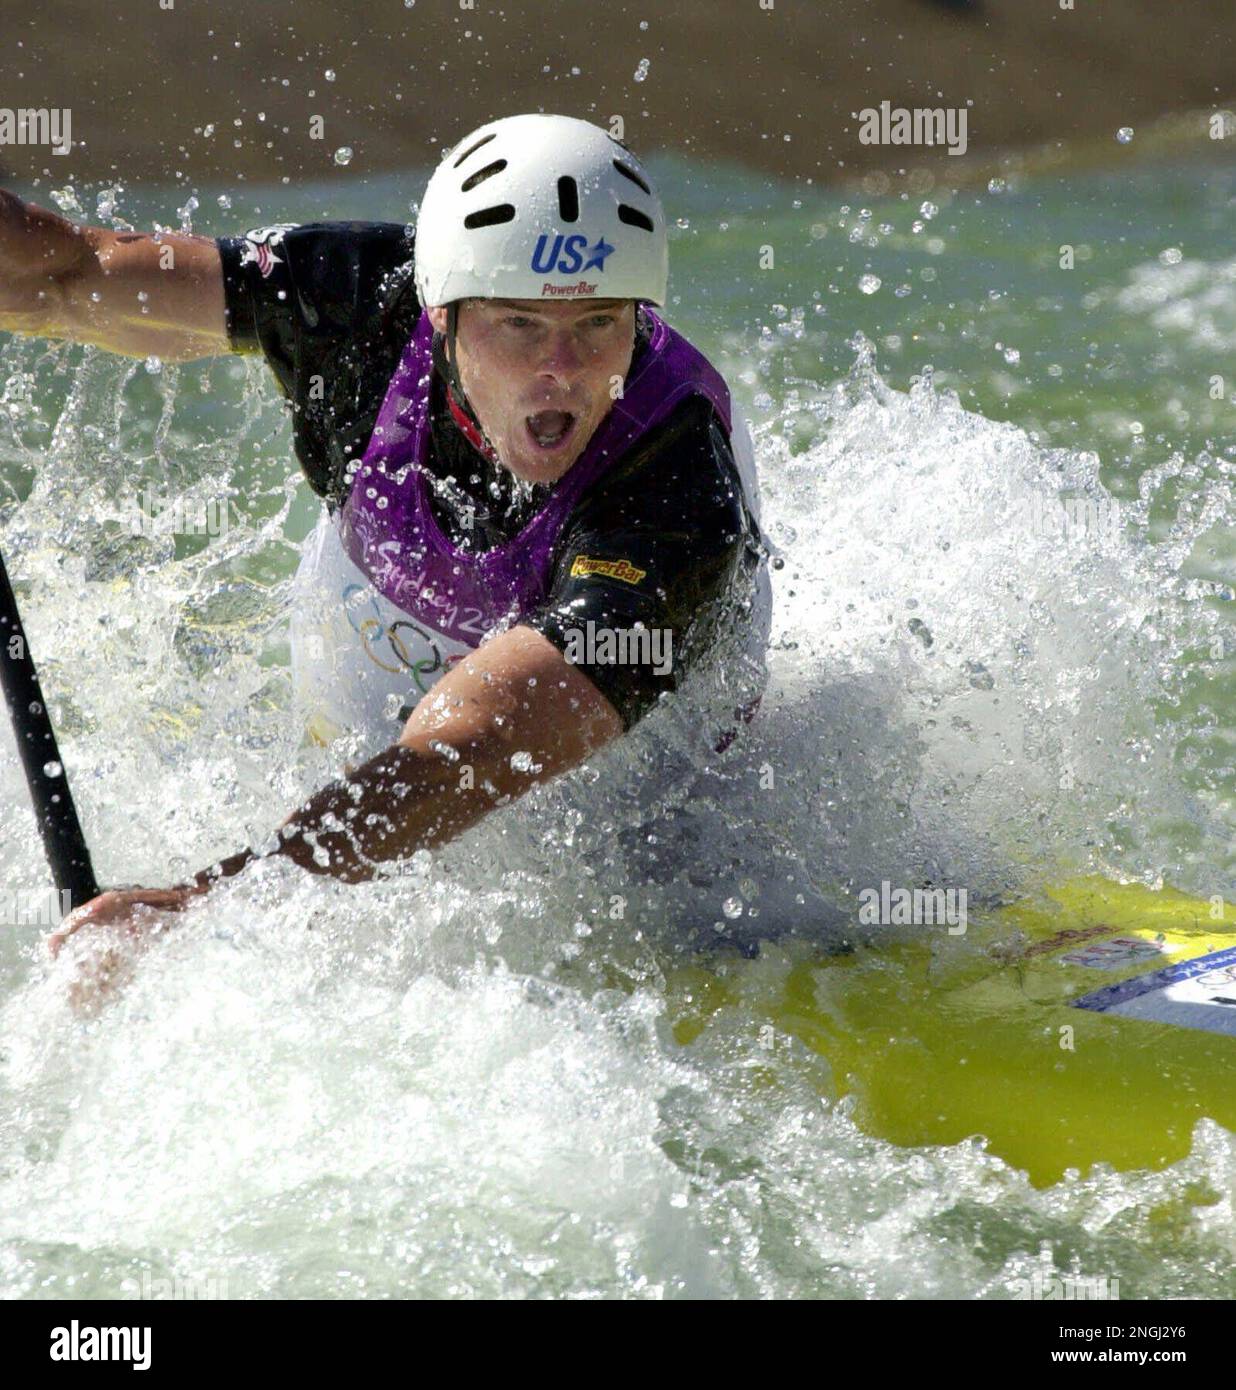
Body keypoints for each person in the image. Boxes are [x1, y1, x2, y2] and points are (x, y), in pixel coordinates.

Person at [0, 113, 771, 954]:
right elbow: (67, 276)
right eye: (518, 323)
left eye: (598, 322)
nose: (564, 369)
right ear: (441, 313)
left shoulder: (677, 490)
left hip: (645, 817)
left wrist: (201, 910)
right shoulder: (352, 306)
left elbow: (472, 747)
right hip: (379, 700)